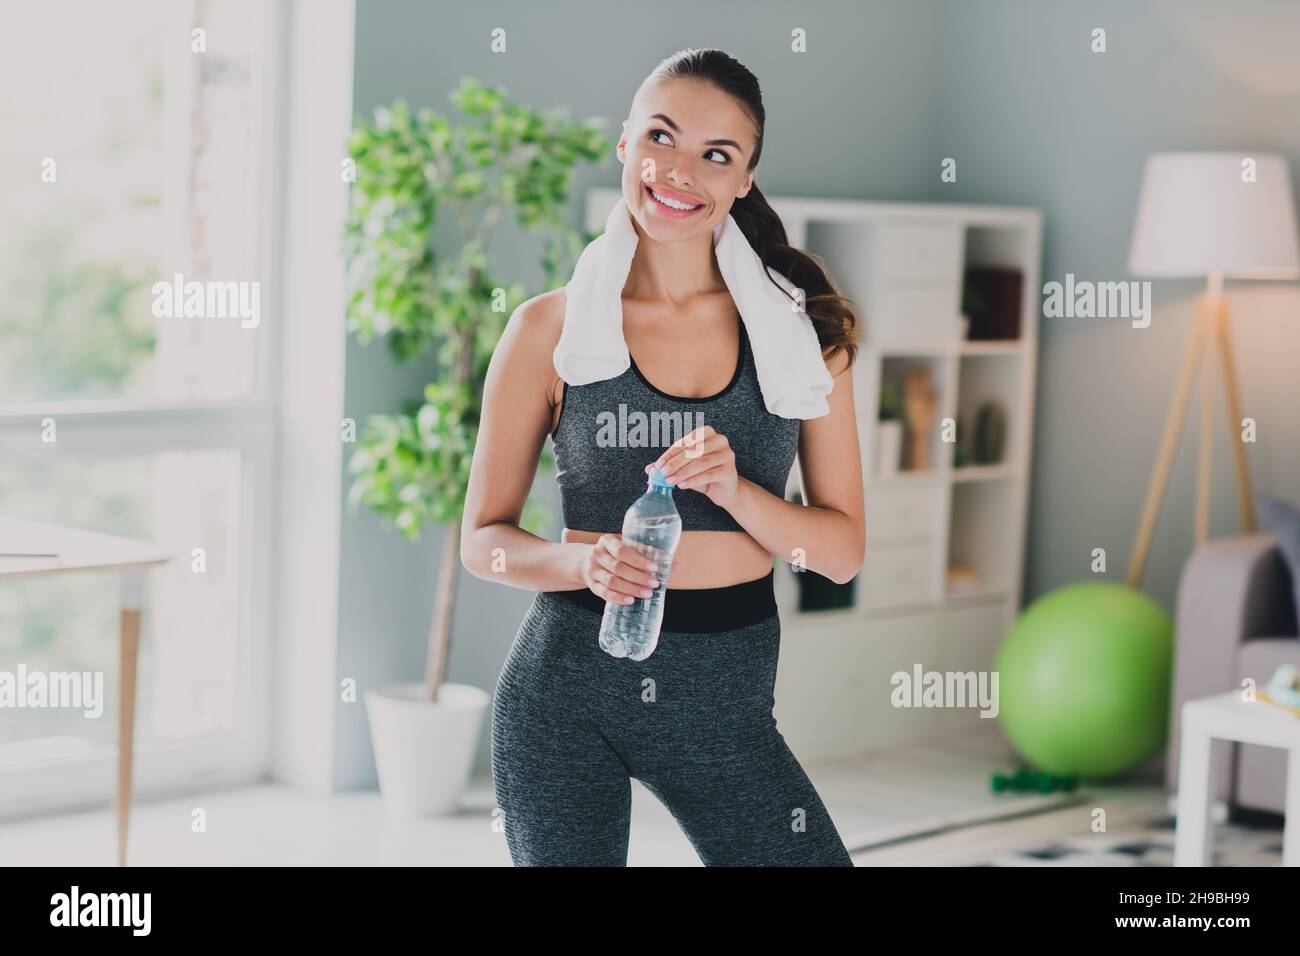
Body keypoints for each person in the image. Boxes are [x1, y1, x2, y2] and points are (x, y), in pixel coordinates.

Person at [461, 48, 864, 866]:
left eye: (717, 154)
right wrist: (582, 566)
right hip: (565, 691)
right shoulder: (548, 329)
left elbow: (842, 552)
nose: (679, 171)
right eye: (661, 137)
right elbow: (484, 541)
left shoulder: (800, 335)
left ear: (744, 178)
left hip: (725, 706)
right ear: (624, 145)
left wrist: (742, 491)